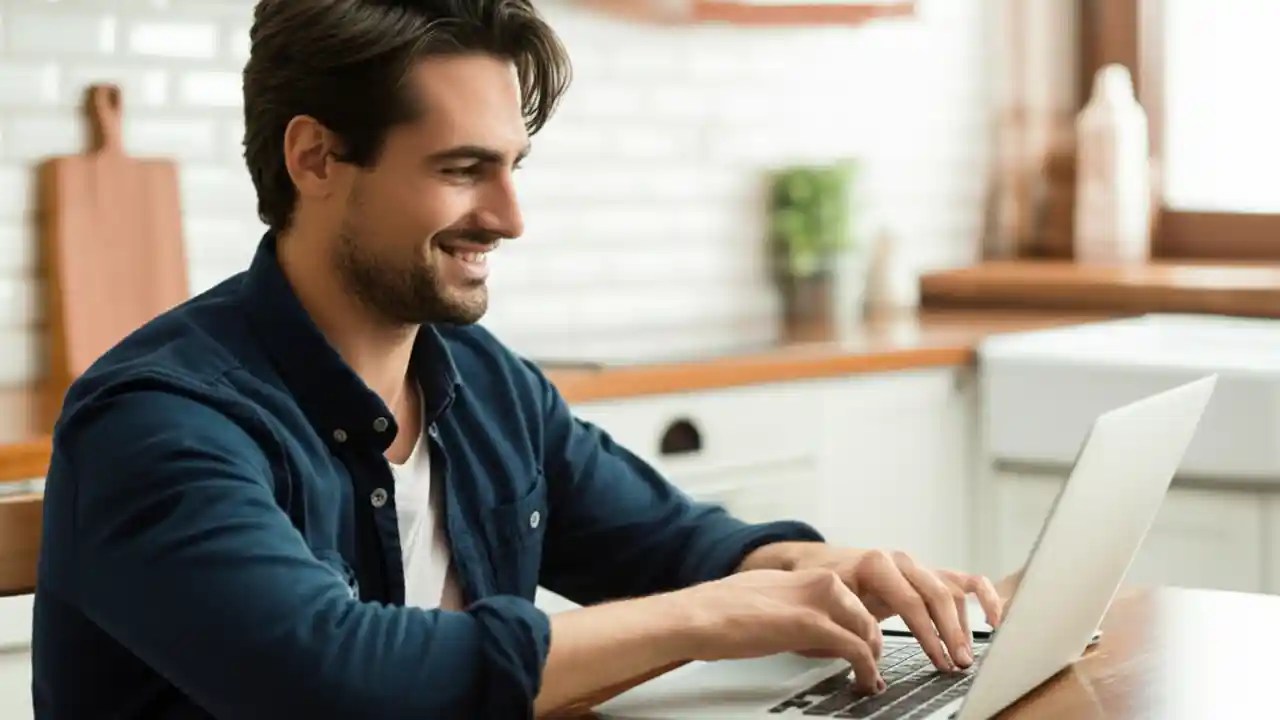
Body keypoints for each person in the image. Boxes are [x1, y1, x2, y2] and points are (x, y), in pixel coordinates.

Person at [31, 1, 1003, 718]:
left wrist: (815, 569)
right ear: (315, 158)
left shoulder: (482, 381)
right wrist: (708, 616)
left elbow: (670, 544)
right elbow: (336, 682)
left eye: (512, 166)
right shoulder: (157, 422)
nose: (508, 217)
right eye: (462, 170)